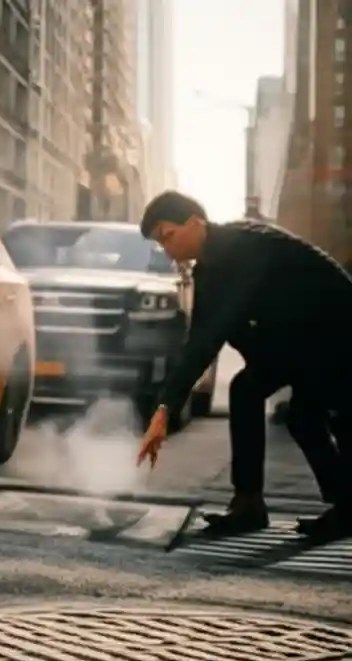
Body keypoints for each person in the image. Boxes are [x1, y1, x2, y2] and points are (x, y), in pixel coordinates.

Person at [134, 191, 352, 541]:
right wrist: (164, 409)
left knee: (305, 415)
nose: (167, 249)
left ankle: (347, 507)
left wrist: (165, 408)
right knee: (246, 389)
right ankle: (248, 504)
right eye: (160, 243)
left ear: (194, 222)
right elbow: (198, 342)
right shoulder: (209, 268)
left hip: (334, 329)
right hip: (294, 338)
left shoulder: (242, 248)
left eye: (167, 236)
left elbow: (214, 333)